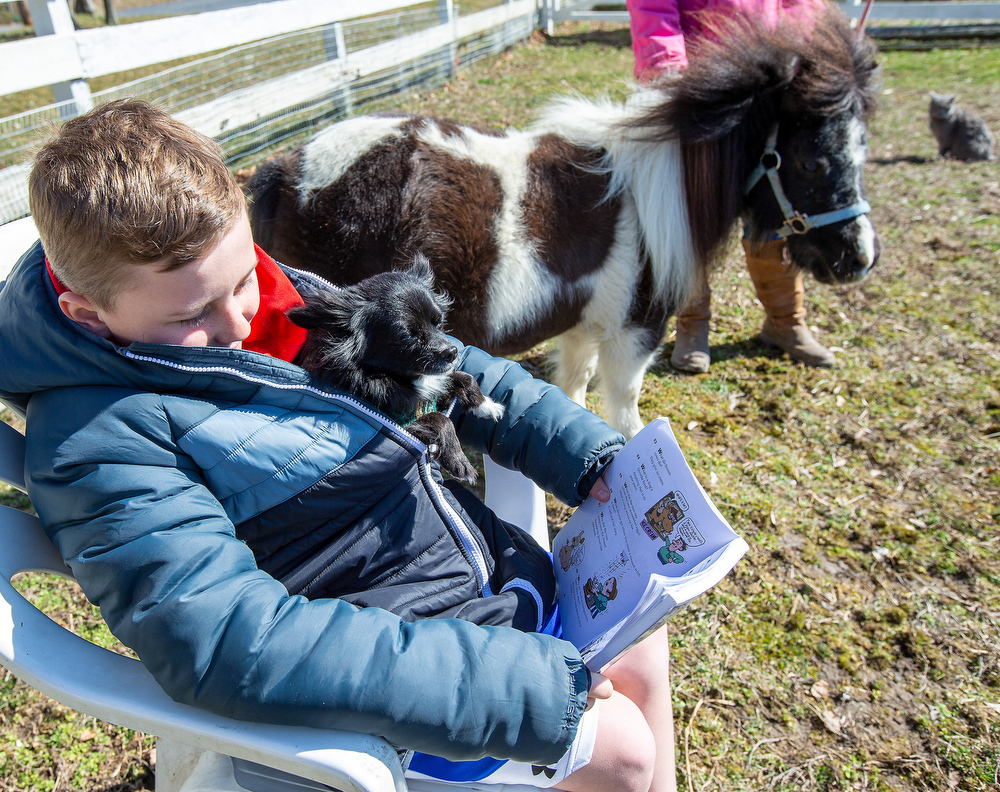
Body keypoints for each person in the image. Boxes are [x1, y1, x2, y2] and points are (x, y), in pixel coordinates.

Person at [0, 99, 677, 792]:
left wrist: (587, 453)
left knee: (643, 632)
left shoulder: (270, 299)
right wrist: (518, 690)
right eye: (192, 314)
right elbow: (225, 640)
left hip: (484, 593)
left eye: (243, 277)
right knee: (621, 752)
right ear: (85, 312)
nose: (239, 320)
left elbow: (444, 366)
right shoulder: (99, 440)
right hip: (390, 689)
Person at [626, 0, 835, 372]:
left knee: (775, 204)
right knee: (694, 210)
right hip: (703, 88)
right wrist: (665, 64)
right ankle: (693, 324)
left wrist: (797, 48)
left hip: (773, 80)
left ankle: (786, 321)